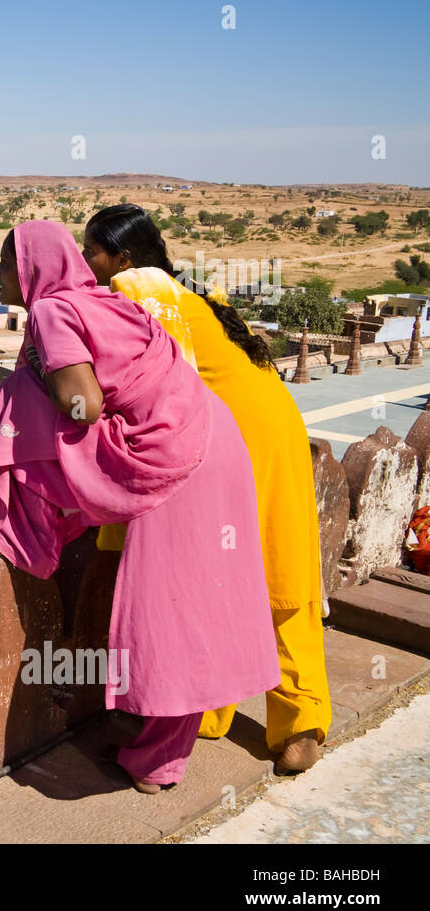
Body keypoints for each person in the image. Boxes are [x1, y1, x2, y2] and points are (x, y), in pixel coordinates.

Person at [0, 220, 279, 792]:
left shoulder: (54, 311)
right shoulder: (103, 300)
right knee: (193, 606)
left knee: (166, 612)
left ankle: (26, 537)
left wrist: (40, 395)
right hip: (215, 438)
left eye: (4, 265)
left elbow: (80, 404)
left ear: (30, 269)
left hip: (174, 457)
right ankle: (158, 755)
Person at [81, 203, 330, 772]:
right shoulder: (180, 290)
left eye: (92, 251)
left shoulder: (139, 291)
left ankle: (277, 718)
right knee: (243, 568)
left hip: (243, 439)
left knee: (260, 575)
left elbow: (141, 392)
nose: (85, 262)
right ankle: (244, 714)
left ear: (122, 257)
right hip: (257, 430)